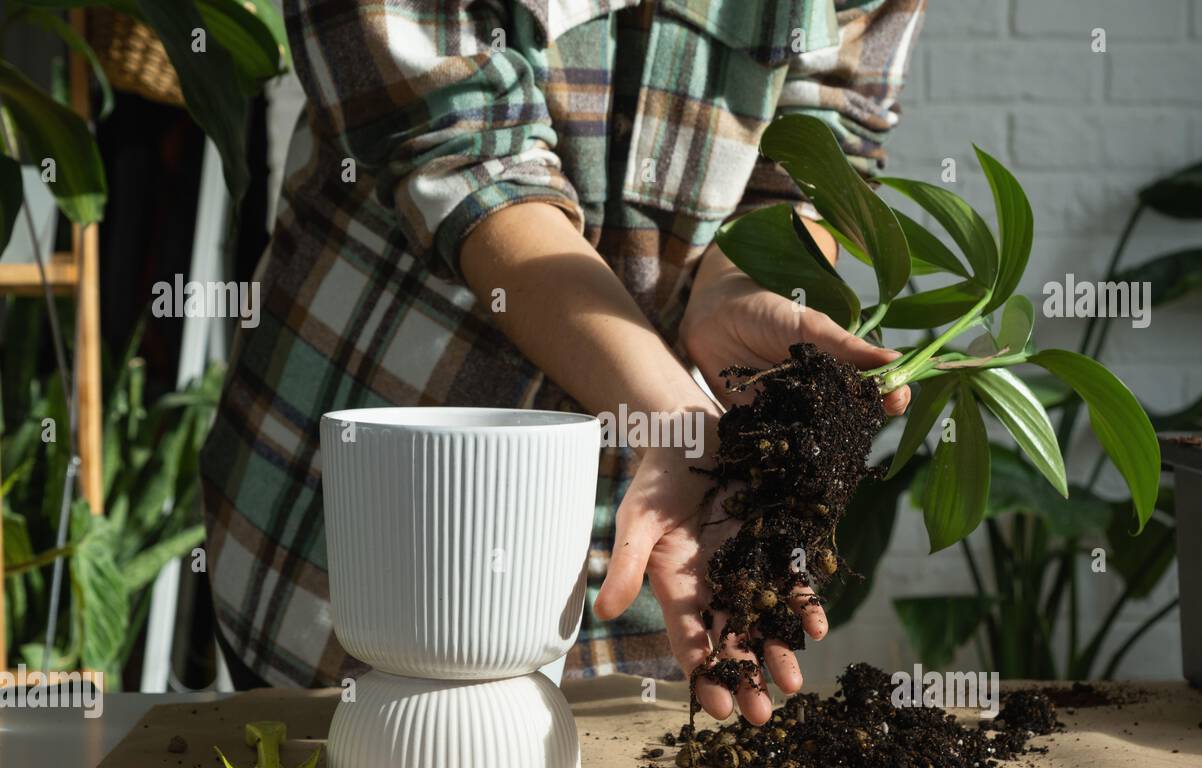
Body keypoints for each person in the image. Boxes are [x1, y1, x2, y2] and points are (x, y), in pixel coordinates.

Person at [200, 0, 922, 724]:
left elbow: (821, 143)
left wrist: (738, 287)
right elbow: (455, 144)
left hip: (651, 559)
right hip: (374, 516)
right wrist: (676, 419)